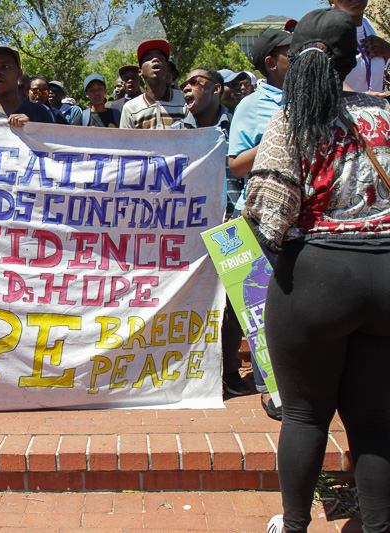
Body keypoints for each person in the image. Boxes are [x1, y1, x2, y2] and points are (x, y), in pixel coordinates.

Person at [244, 9, 390, 532]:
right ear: (352, 58)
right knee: (374, 421)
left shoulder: (291, 117)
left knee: (305, 416)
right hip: (387, 276)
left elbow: (268, 211)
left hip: (316, 278)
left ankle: (294, 523)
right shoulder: (385, 112)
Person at [228, 28, 292, 421]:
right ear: (271, 62)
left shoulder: (317, 98)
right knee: (259, 305)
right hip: (258, 218)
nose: (300, 58)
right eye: (291, 53)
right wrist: (279, 133)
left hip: (307, 220)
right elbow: (235, 164)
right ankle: (273, 387)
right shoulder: (252, 107)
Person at [173, 68, 249, 397]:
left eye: (195, 83)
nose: (187, 88)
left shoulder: (239, 126)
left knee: (233, 302)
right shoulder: (176, 132)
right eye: (184, 85)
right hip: (187, 229)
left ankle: (229, 370)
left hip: (234, 223)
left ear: (217, 89)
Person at [0, 46, 54, 125]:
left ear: (19, 74)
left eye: (5, 66)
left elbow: (52, 141)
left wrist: (32, 128)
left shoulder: (42, 114)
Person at [120, 39, 188, 129]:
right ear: (140, 72)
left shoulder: (184, 100)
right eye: (148, 58)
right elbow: (125, 142)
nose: (155, 59)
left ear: (167, 68)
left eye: (161, 58)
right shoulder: (130, 108)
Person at [329, 0, 390, 95]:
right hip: (348, 108)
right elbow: (325, 77)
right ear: (331, 1)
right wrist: (360, 97)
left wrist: (388, 50)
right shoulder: (327, 31)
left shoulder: (367, 25)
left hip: (376, 107)